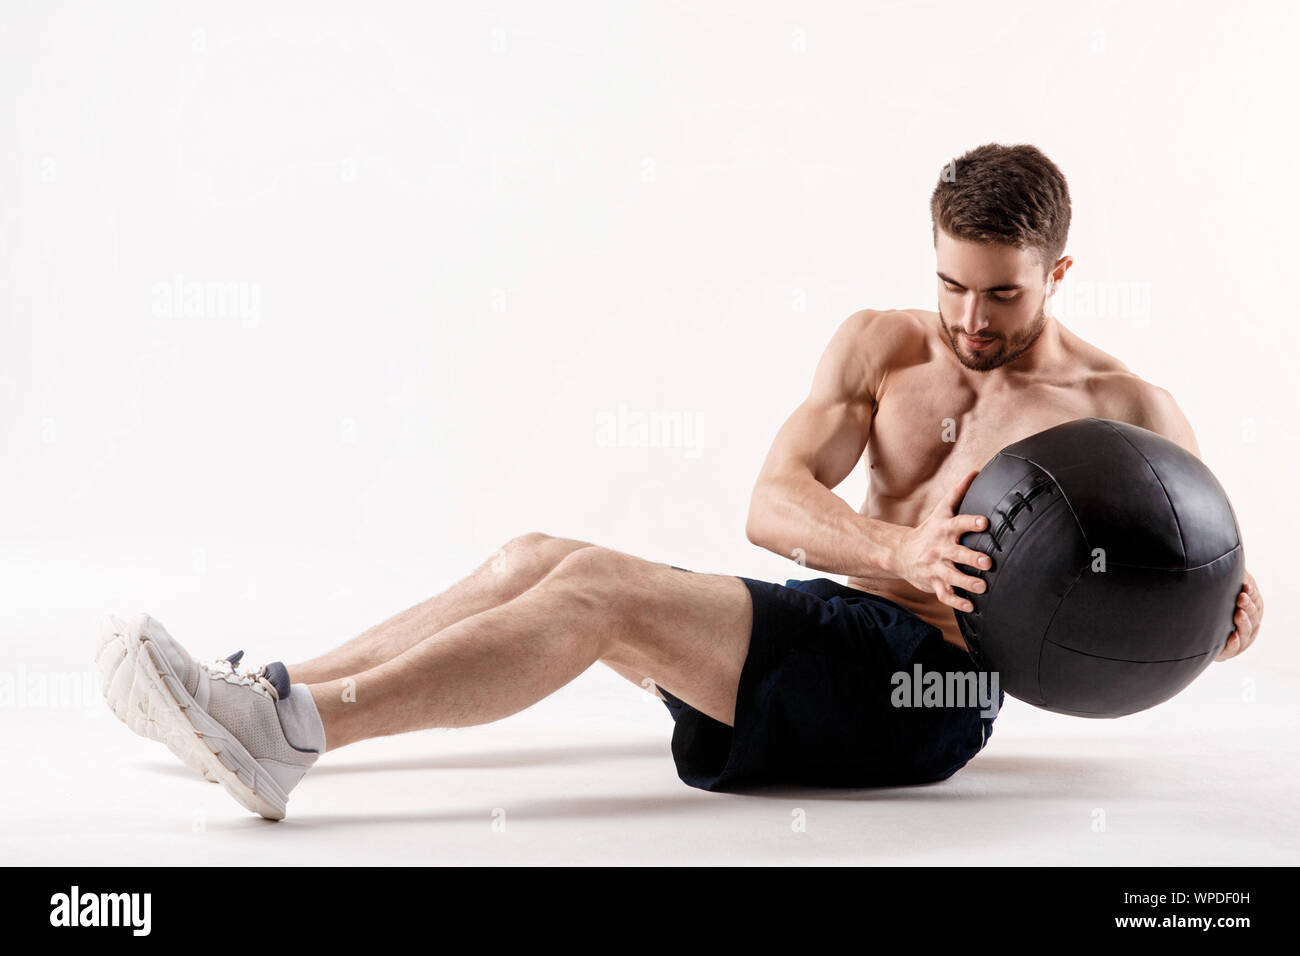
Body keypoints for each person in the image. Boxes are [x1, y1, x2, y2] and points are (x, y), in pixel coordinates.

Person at [97, 142, 1263, 820]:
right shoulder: (883, 347)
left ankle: (288, 737)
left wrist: (1232, 616)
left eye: (1002, 293)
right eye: (952, 283)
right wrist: (894, 550)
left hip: (928, 692)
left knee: (592, 594)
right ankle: (254, 694)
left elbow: (1200, 588)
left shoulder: (1126, 412)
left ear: (1057, 273)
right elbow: (772, 501)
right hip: (842, 618)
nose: (968, 316)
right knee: (535, 557)